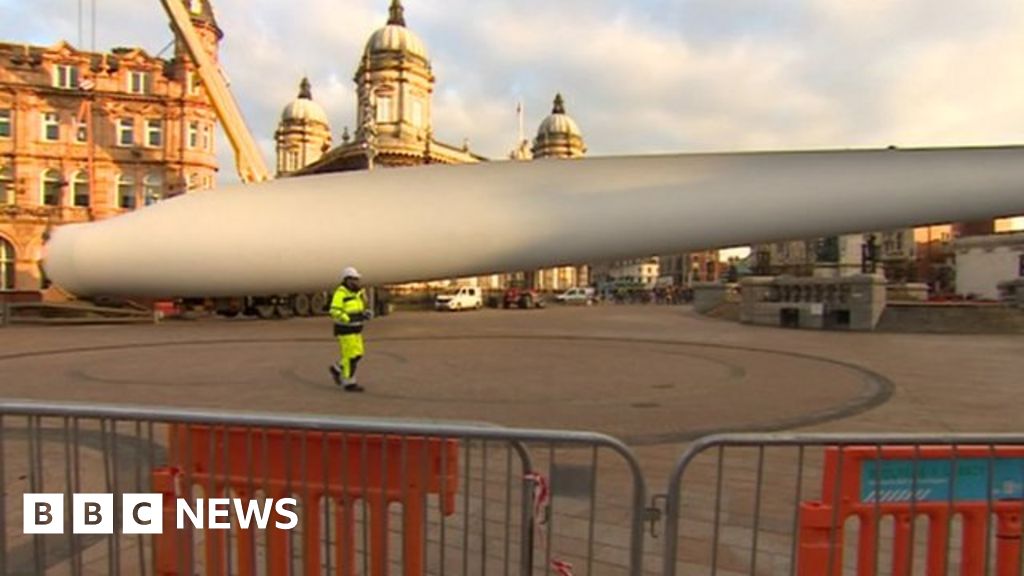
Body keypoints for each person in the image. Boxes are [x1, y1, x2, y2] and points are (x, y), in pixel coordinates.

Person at [329, 266, 372, 392]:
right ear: (347, 280)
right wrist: (347, 318)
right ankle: (349, 382)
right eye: (354, 279)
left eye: (357, 279)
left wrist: (365, 314)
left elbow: (360, 308)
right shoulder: (340, 293)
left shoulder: (358, 293)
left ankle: (336, 369)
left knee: (358, 354)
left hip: (357, 328)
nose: (356, 282)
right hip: (345, 330)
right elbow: (334, 311)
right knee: (350, 356)